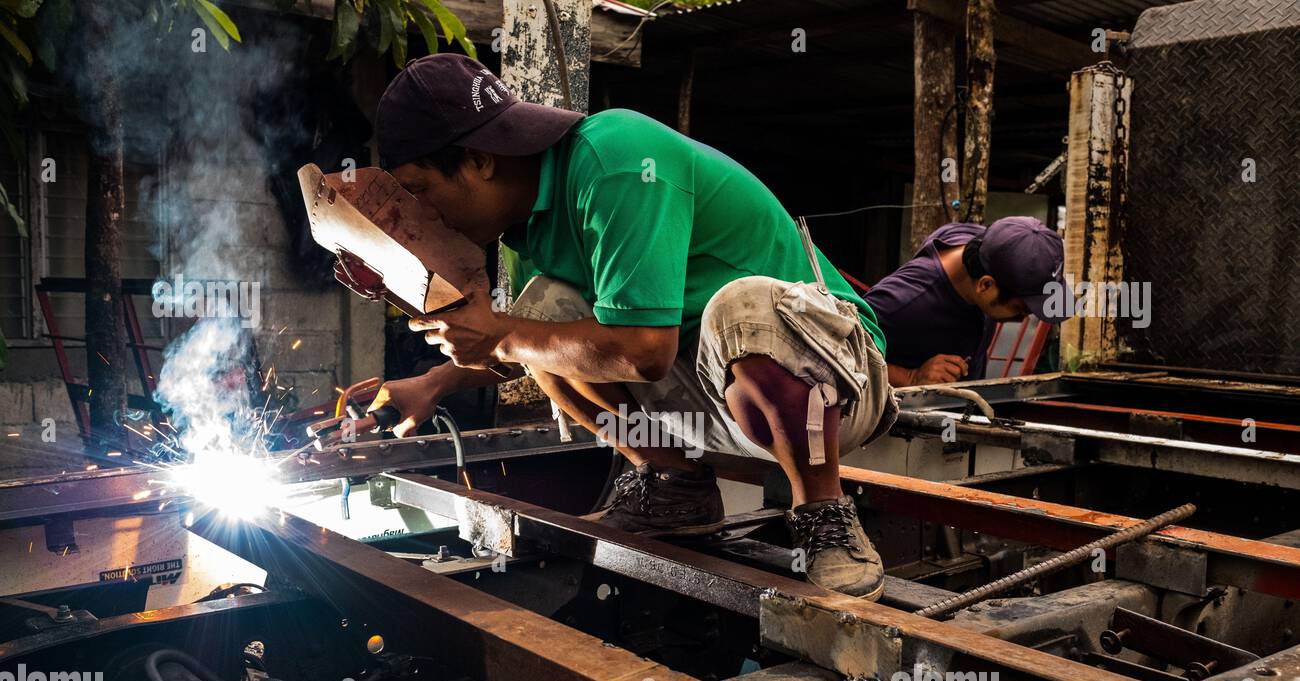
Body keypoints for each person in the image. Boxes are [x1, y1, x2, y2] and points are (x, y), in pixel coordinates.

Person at [337, 55, 898, 599]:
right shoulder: (526, 230)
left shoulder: (618, 157)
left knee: (741, 307)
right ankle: (675, 486)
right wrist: (434, 384)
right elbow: (533, 344)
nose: (425, 211)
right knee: (540, 310)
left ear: (479, 159)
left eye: (422, 189)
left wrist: (503, 333)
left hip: (837, 386)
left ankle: (824, 512)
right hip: (719, 395)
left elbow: (646, 354)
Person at [867, 217, 1067, 386]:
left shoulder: (984, 246)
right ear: (985, 285)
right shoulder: (902, 302)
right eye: (1020, 309)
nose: (1023, 319)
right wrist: (910, 377)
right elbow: (839, 356)